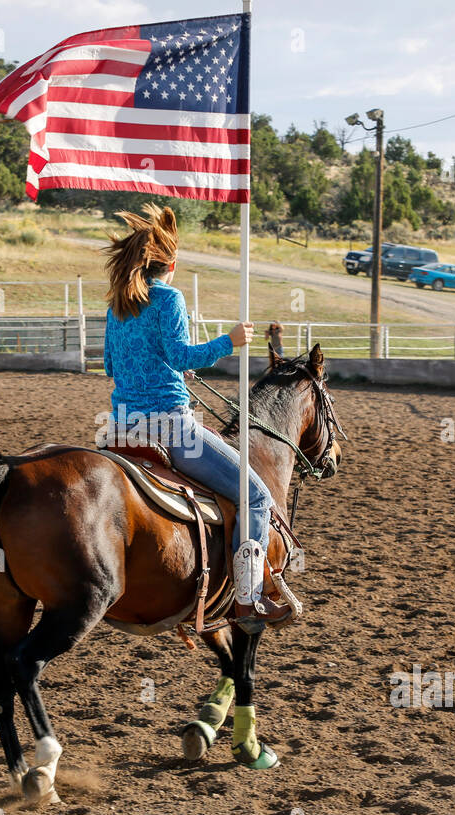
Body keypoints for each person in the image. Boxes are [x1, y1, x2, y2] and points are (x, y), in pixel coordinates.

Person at [102, 203, 291, 628]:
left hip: (119, 428)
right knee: (257, 497)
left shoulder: (117, 305)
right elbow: (179, 355)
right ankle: (248, 597)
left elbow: (112, 366)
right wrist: (230, 340)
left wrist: (157, 362)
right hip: (169, 427)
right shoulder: (170, 298)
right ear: (171, 264)